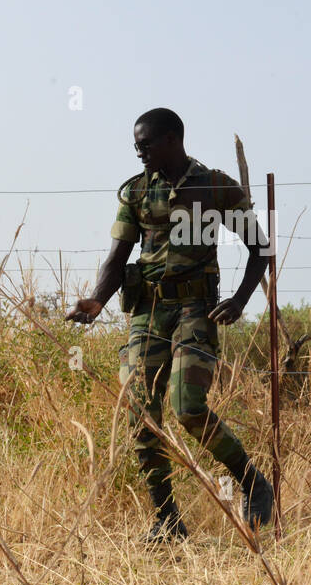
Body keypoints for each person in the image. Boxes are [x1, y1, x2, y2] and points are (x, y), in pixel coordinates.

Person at [65, 109, 274, 542]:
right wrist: (97, 300)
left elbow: (260, 248)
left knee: (187, 406)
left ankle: (251, 480)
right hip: (147, 313)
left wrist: (239, 300)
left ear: (173, 139)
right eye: (136, 144)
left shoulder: (215, 187)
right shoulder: (137, 193)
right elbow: (117, 257)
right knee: (141, 412)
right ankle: (167, 519)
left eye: (146, 143)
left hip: (196, 310)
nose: (138, 151)